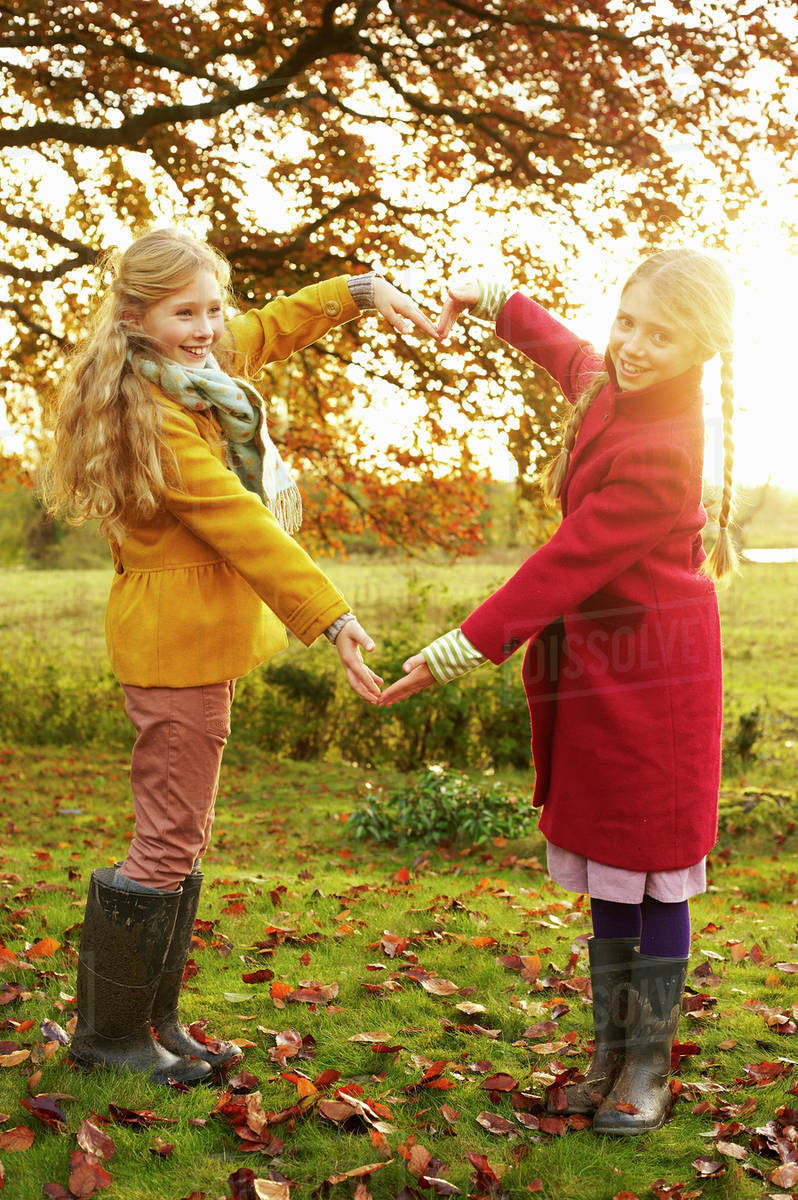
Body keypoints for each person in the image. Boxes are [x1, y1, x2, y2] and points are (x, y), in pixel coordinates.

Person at [43, 227, 438, 1086]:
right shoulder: (162, 418)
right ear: (138, 319)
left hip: (193, 645)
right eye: (186, 311)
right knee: (166, 842)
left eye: (214, 307)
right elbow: (244, 525)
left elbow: (279, 325)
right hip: (173, 649)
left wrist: (365, 291)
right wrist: (332, 619)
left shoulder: (198, 372)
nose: (209, 326)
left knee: (180, 838)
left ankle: (155, 1022)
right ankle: (110, 1040)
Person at [380, 249, 736, 1134]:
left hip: (658, 681)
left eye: (662, 336)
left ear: (702, 349)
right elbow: (569, 352)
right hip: (601, 669)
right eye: (630, 322)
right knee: (608, 857)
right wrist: (492, 296)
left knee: (656, 873)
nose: (635, 346)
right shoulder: (614, 381)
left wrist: (464, 647)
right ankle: (608, 1053)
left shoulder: (666, 450)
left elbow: (565, 562)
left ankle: (647, 1066)